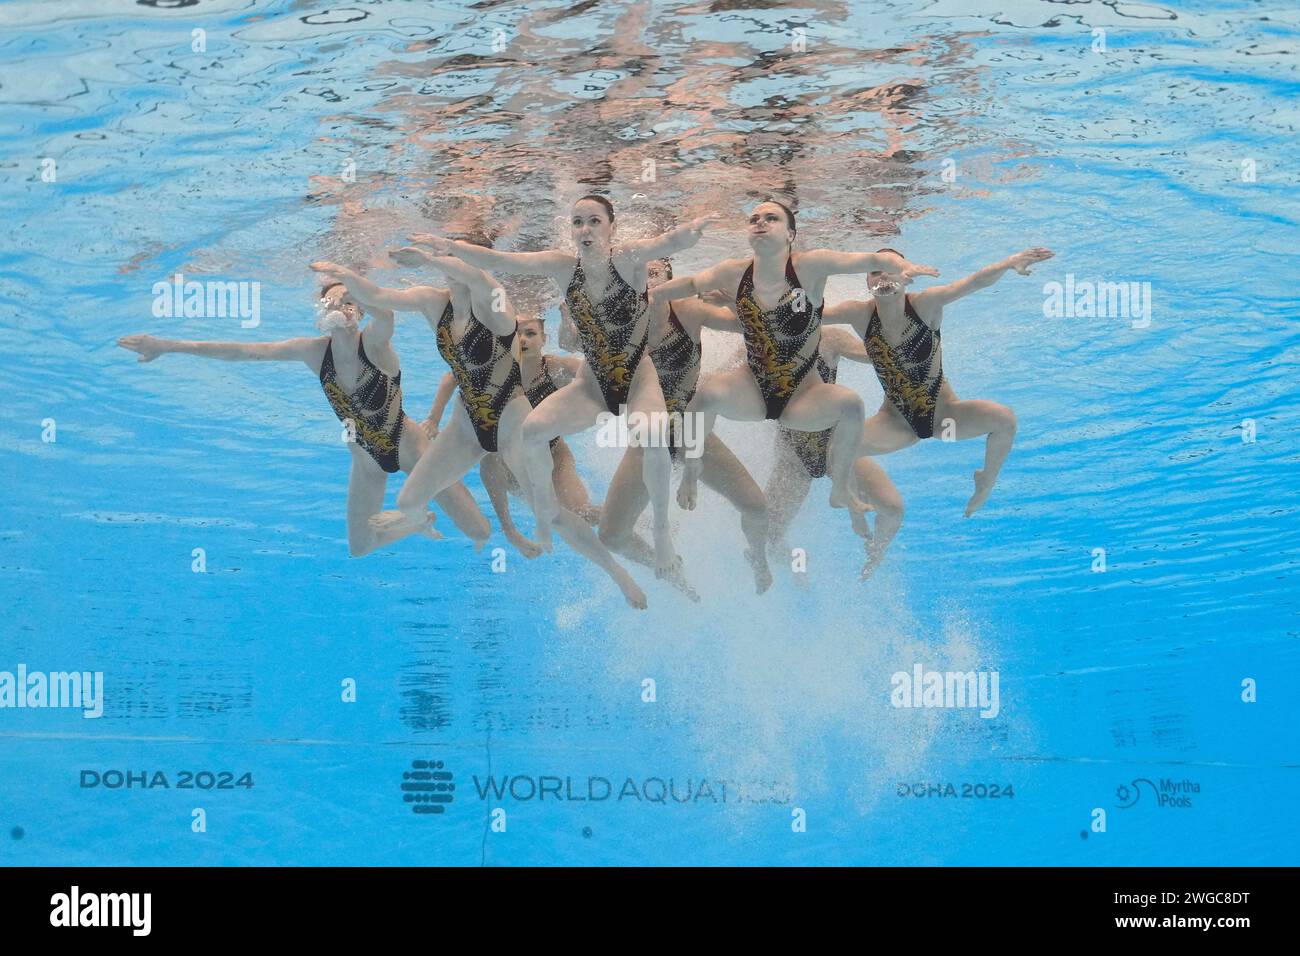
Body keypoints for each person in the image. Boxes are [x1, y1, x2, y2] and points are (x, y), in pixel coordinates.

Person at [407, 195, 719, 580]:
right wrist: (451, 248)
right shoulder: (560, 265)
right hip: (593, 383)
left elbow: (667, 243)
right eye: (577, 223)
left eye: (594, 221)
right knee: (533, 430)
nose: (585, 230)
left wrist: (689, 233)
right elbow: (502, 262)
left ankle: (660, 532)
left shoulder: (629, 258)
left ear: (611, 227)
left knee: (654, 432)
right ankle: (544, 514)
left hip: (638, 375)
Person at [315, 251, 648, 608]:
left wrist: (439, 254)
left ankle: (617, 573)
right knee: (408, 500)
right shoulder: (431, 301)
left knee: (550, 512)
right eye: (447, 264)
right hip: (467, 423)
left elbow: (487, 285)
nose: (451, 272)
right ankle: (420, 521)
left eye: (459, 264)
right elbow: (382, 299)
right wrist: (345, 278)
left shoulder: (493, 306)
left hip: (509, 416)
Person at [116, 278, 491, 557]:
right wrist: (168, 346)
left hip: (411, 448)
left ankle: (424, 510)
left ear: (359, 309)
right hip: (365, 460)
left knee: (479, 532)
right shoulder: (314, 352)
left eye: (348, 302)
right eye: (332, 302)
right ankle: (415, 522)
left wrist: (357, 290)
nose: (340, 308)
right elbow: (243, 353)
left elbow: (387, 314)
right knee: (360, 546)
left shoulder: (374, 344)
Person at [650, 199, 938, 520]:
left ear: (790, 234)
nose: (760, 223)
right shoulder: (733, 271)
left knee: (851, 405)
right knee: (707, 395)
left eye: (771, 218)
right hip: (754, 390)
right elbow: (690, 284)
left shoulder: (811, 266)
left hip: (802, 398)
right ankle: (692, 468)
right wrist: (652, 294)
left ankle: (840, 485)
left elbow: (868, 258)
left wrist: (903, 266)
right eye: (754, 219)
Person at [823, 246, 1054, 516]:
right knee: (836, 446)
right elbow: (811, 313)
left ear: (905, 275)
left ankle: (986, 481)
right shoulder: (858, 313)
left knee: (1004, 420)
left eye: (892, 270)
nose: (883, 277)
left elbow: (972, 282)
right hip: (897, 423)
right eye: (875, 272)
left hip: (944, 419)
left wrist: (1007, 263)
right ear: (867, 282)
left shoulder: (925, 304)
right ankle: (845, 495)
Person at [595, 259, 775, 596]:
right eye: (639, 273)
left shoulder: (688, 312)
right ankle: (669, 568)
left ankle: (759, 558)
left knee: (756, 507)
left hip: (693, 429)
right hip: (649, 443)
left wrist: (733, 302)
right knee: (611, 536)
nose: (646, 281)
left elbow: (751, 326)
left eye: (654, 273)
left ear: (670, 280)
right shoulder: (620, 325)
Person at [425, 316, 602, 559]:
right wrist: (433, 419)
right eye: (517, 334)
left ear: (543, 339)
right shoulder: (496, 367)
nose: (522, 339)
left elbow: (597, 372)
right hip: (514, 466)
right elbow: (451, 378)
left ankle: (633, 517)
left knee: (583, 513)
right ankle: (510, 531)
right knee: (490, 457)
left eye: (530, 333)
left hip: (553, 455)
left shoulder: (556, 368)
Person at [761, 325, 904, 580]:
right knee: (768, 538)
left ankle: (875, 550)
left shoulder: (829, 337)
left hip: (835, 450)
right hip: (794, 460)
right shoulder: (760, 341)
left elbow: (876, 355)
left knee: (893, 509)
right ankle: (798, 567)